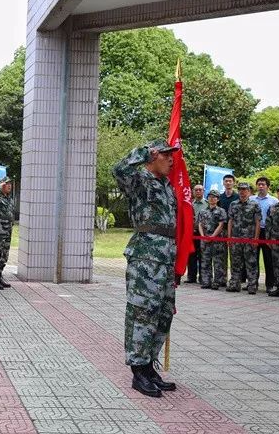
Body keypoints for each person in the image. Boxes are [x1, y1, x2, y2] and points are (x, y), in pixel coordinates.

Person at [112, 139, 179, 398]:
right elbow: (119, 170)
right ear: (154, 157)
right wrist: (141, 153)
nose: (172, 160)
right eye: (167, 156)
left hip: (166, 258)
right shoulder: (139, 181)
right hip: (146, 259)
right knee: (142, 313)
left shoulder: (168, 186)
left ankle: (150, 366)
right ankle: (138, 370)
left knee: (163, 315)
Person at [226, 183, 260, 294]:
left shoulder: (255, 205)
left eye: (245, 190)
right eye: (240, 190)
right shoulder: (233, 204)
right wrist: (229, 237)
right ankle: (234, 284)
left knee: (251, 263)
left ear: (249, 191)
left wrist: (256, 238)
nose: (242, 192)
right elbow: (230, 221)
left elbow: (257, 222)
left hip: (249, 239)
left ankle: (252, 285)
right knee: (235, 262)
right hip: (235, 238)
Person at [250, 177, 279, 292]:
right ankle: (253, 283)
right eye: (259, 184)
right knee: (252, 259)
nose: (261, 186)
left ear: (268, 186)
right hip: (253, 232)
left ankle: (270, 285)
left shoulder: (274, 200)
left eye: (263, 184)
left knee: (269, 260)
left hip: (268, 232)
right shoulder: (251, 199)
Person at [197, 190, 227, 289]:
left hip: (217, 240)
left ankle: (217, 282)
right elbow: (200, 224)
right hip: (205, 240)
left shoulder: (221, 211)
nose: (211, 198)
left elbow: (221, 225)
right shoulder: (203, 211)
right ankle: (206, 281)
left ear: (217, 199)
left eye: (214, 197)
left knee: (218, 262)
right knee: (205, 261)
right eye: (210, 197)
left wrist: (213, 236)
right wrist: (202, 236)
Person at [188, 184, 206, 284]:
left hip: (203, 233)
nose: (198, 191)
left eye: (200, 190)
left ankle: (203, 277)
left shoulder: (207, 204)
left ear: (203, 191)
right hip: (191, 233)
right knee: (191, 255)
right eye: (196, 190)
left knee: (203, 255)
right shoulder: (189, 203)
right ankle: (191, 277)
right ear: (193, 191)